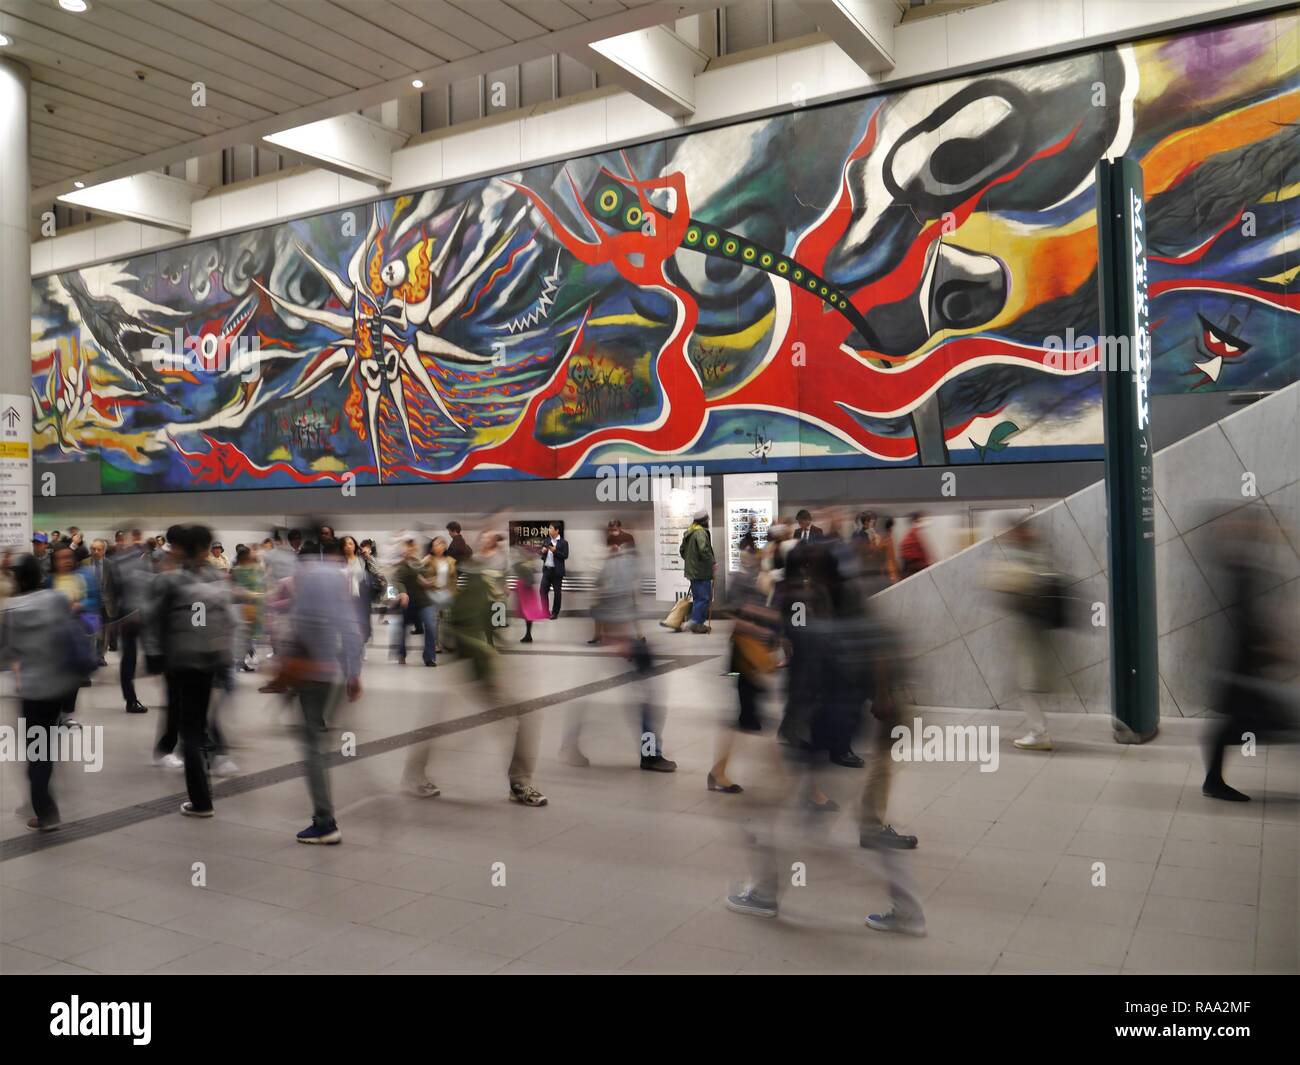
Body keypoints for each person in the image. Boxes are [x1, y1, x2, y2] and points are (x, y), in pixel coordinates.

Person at [143, 524, 237, 818]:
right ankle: (206, 782)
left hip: (181, 661)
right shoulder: (216, 578)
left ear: (182, 549)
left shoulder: (170, 581)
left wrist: (155, 656)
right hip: (211, 659)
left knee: (191, 731)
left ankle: (201, 801)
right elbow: (231, 619)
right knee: (199, 723)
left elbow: (152, 620)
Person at [0, 554, 82, 831]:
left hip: (33, 688)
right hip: (60, 685)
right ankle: (45, 796)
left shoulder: (12, 609)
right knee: (47, 742)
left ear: (17, 579)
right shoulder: (56, 598)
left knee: (37, 752)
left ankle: (45, 812)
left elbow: (7, 652)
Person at [291, 536, 363, 843]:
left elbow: (300, 627)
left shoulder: (309, 578)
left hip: (314, 673)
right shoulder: (339, 578)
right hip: (335, 670)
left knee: (313, 746)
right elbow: (351, 627)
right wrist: (354, 673)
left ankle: (325, 822)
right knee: (320, 739)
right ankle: (324, 818)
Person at [107, 529, 152, 715]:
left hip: (146, 615)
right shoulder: (114, 564)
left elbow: (150, 586)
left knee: (155, 655)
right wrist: (115, 618)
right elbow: (111, 592)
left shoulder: (143, 561)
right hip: (127, 618)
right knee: (129, 660)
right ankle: (131, 700)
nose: (124, 543)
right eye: (120, 540)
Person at [392, 536, 437, 666]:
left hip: (424, 602)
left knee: (430, 626)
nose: (410, 550)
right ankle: (401, 654)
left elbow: (427, 578)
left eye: (413, 548)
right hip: (407, 604)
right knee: (402, 629)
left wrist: (428, 583)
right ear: (403, 550)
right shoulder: (400, 566)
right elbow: (396, 582)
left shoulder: (420, 564)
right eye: (407, 548)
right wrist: (402, 593)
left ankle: (429, 658)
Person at [679, 509, 715, 634]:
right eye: (707, 520)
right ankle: (697, 623)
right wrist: (712, 562)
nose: (708, 522)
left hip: (693, 571)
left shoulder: (690, 531)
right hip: (701, 571)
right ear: (704, 520)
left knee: (698, 598)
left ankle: (696, 622)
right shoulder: (700, 532)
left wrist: (691, 563)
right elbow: (704, 549)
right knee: (704, 598)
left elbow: (682, 551)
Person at [231, 543, 265, 671]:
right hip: (241, 606)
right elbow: (234, 589)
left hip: (252, 606)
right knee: (242, 636)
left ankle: (241, 662)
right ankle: (237, 663)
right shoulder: (237, 570)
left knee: (247, 636)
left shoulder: (253, 569)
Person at [539, 522, 568, 620]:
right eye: (549, 528)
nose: (549, 530)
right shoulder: (546, 540)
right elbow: (542, 556)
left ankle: (555, 613)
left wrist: (555, 551)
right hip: (547, 570)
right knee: (542, 591)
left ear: (557, 530)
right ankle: (545, 612)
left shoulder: (563, 542)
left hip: (557, 572)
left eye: (551, 528)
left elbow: (565, 556)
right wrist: (543, 552)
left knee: (557, 593)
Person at [899, 512, 932, 576]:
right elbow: (921, 553)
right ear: (917, 521)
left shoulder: (909, 535)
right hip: (916, 568)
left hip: (910, 567)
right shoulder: (915, 534)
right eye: (921, 520)